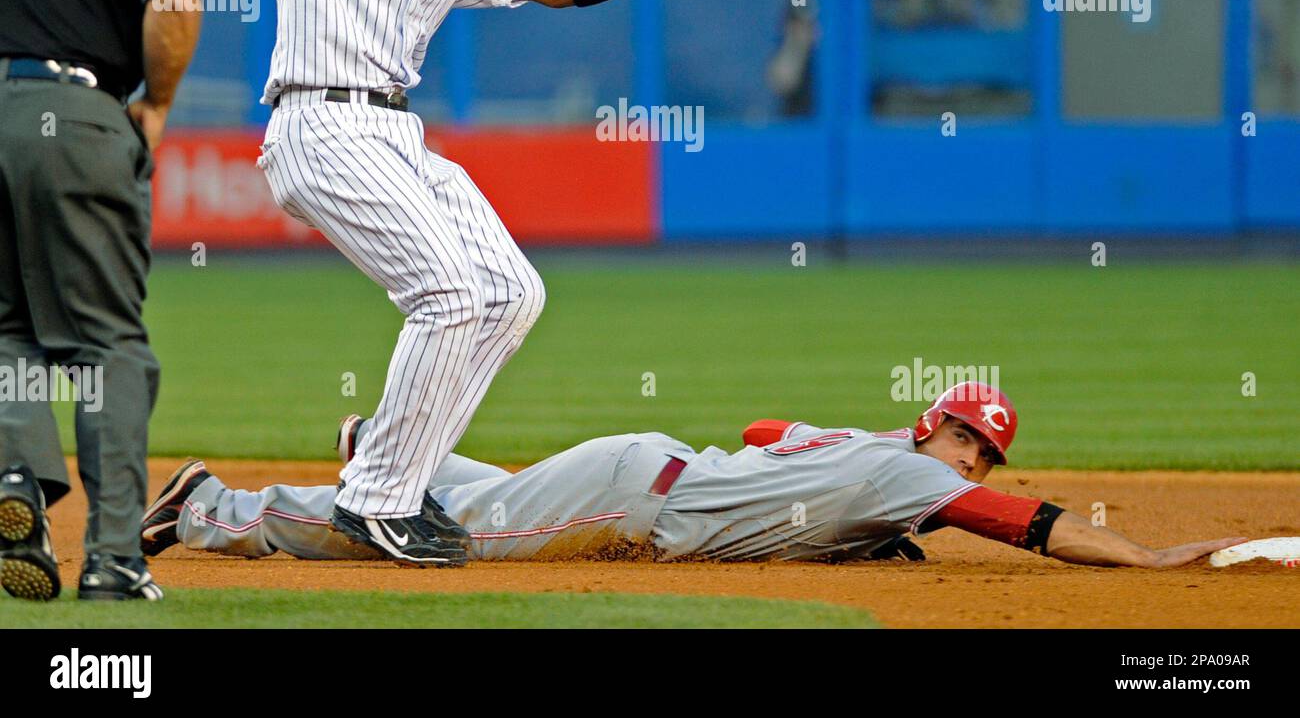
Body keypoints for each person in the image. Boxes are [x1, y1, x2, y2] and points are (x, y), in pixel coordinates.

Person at [139, 0, 734, 568]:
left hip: (392, 131)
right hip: (320, 121)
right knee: (449, 293)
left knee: (509, 293)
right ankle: (377, 500)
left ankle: (393, 481)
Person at [139, 385, 1244, 568]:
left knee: (482, 502)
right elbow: (1024, 525)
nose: (976, 462)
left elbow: (766, 423)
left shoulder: (860, 446)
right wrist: (1142, 556)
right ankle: (215, 509)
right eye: (971, 443)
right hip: (635, 498)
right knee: (449, 538)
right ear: (940, 432)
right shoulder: (911, 479)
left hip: (648, 469)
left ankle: (384, 435)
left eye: (982, 450)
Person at [0, 0, 204, 602]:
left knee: (5, 328)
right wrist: (154, 103)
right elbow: (176, 7)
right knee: (106, 342)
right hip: (78, 111)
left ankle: (14, 480)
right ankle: (115, 559)